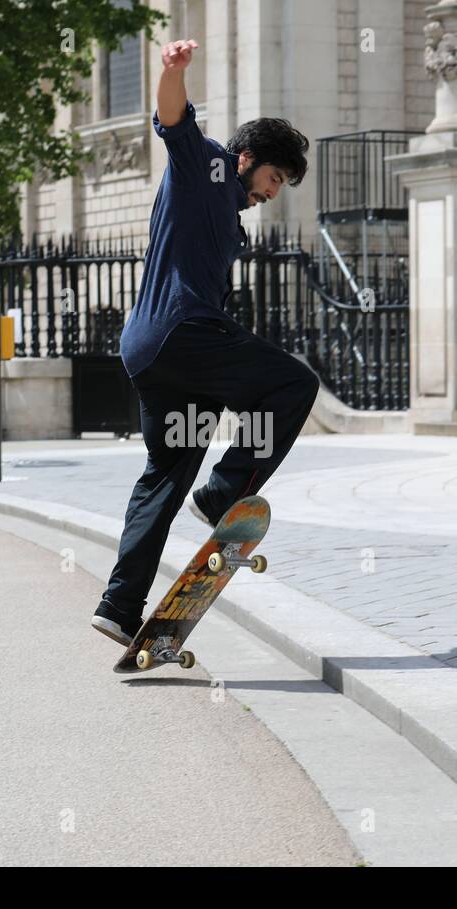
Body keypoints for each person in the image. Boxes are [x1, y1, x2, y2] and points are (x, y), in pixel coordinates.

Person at [91, 38, 319, 647]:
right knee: (294, 382)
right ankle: (224, 492)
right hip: (182, 335)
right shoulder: (208, 166)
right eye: (274, 177)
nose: (273, 193)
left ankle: (119, 604)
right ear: (247, 158)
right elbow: (172, 120)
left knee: (164, 477)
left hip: (155, 356)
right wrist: (172, 72)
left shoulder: (226, 210)